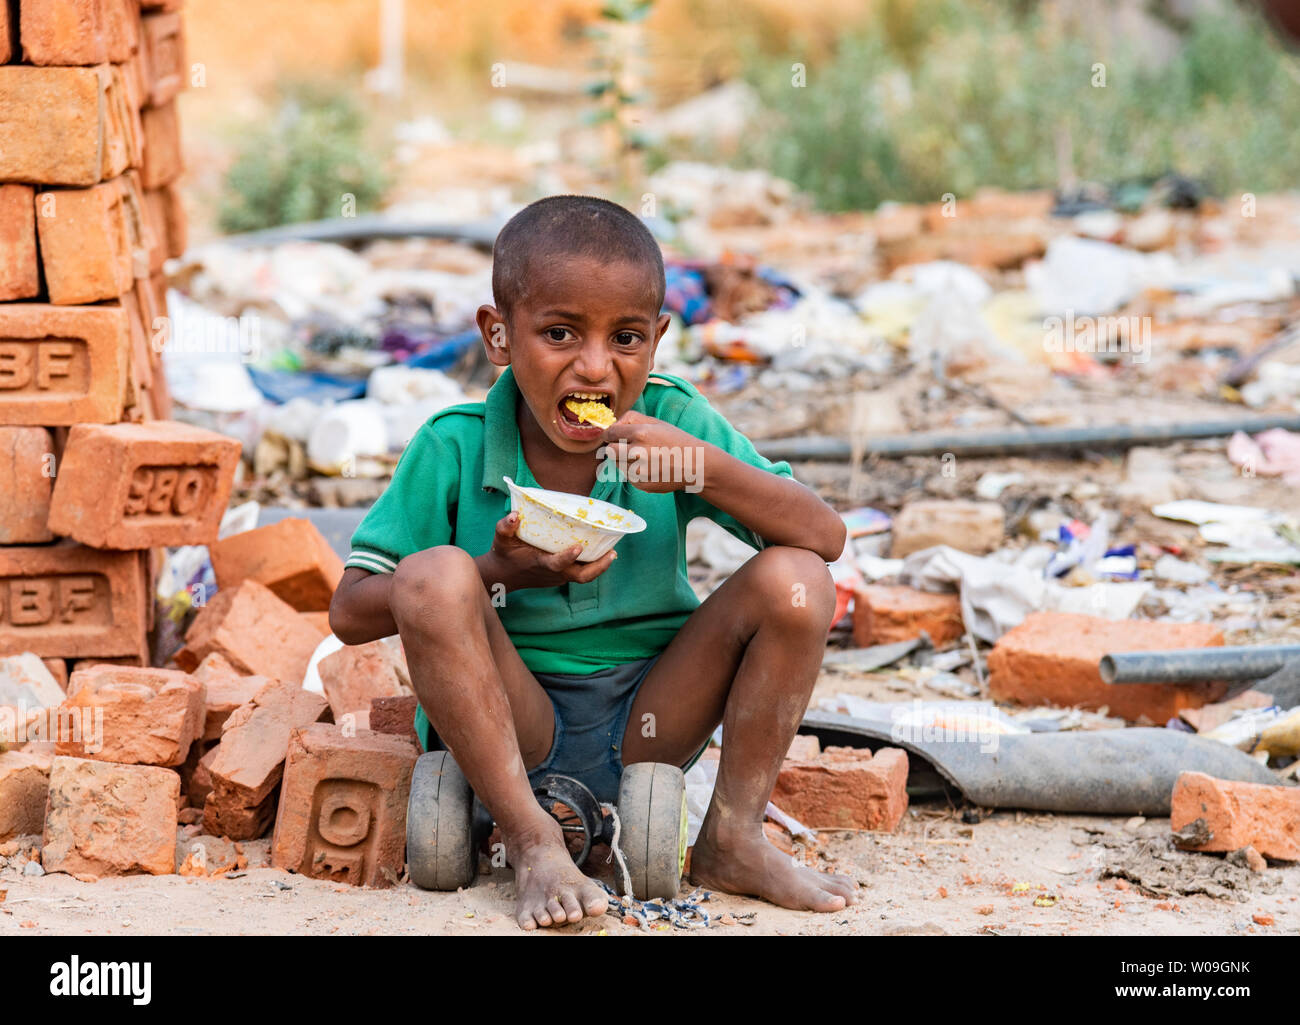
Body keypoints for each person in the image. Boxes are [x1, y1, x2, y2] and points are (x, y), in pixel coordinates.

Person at [330, 195, 855, 930]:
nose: (595, 368)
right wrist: (501, 571)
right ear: (498, 335)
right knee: (433, 573)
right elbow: (350, 611)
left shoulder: (671, 422)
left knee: (797, 581)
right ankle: (532, 836)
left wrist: (704, 469)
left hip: (655, 712)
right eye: (558, 333)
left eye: (627, 337)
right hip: (513, 718)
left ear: (659, 340)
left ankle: (734, 836)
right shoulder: (451, 442)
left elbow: (824, 536)